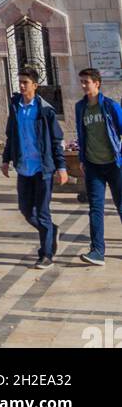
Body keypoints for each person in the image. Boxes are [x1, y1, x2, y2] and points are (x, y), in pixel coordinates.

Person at [2, 66, 68, 268]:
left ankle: (46, 254)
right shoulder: (15, 107)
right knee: (25, 210)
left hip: (43, 169)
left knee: (41, 211)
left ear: (35, 85)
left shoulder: (45, 110)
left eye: (25, 82)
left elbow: (57, 140)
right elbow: (10, 135)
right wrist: (6, 159)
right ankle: (50, 231)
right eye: (20, 82)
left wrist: (62, 167)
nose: (21, 86)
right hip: (24, 168)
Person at [75, 67, 122, 265]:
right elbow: (81, 133)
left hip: (114, 165)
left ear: (97, 83)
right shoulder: (80, 107)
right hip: (93, 165)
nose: (84, 85)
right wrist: (82, 159)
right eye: (82, 82)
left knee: (121, 205)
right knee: (95, 208)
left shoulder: (110, 106)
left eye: (87, 81)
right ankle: (97, 251)